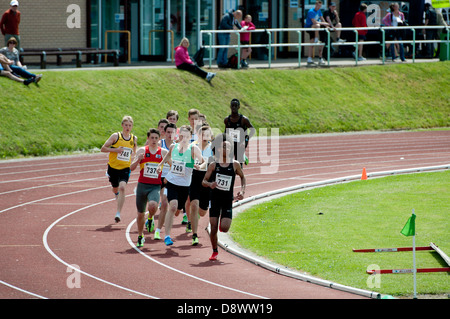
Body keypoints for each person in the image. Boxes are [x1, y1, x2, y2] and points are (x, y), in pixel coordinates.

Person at [157, 125, 204, 246]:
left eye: (187, 136)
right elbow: (167, 156)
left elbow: (203, 162)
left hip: (184, 186)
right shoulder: (174, 146)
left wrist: (199, 166)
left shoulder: (193, 149)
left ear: (190, 137)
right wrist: (160, 165)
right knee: (172, 207)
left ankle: (179, 212)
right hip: (172, 182)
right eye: (182, 135)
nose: (184, 138)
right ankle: (167, 236)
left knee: (177, 211)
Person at [202, 133, 246, 261]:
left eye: (228, 147)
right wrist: (210, 184)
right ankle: (215, 251)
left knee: (225, 228)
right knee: (213, 226)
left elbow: (243, 177)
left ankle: (223, 223)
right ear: (219, 149)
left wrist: (242, 191)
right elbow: (203, 181)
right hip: (214, 199)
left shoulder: (235, 164)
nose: (226, 149)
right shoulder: (213, 165)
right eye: (223, 147)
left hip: (227, 200)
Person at [130, 128, 168, 248]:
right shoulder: (142, 151)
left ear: (159, 139)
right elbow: (131, 168)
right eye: (152, 138)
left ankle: (150, 218)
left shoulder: (163, 153)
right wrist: (138, 160)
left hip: (155, 186)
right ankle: (140, 236)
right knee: (140, 214)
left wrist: (168, 177)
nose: (154, 140)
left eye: (156, 138)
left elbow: (172, 166)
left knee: (153, 206)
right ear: (148, 138)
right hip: (142, 186)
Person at [101, 116, 137, 223]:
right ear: (122, 125)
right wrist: (116, 150)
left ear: (132, 127)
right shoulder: (116, 136)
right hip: (113, 167)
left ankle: (118, 213)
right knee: (115, 188)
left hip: (125, 168)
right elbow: (103, 148)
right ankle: (115, 194)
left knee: (122, 188)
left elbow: (134, 151)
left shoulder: (133, 138)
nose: (127, 127)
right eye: (126, 125)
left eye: (130, 125)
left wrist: (133, 158)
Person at [189, 124, 214, 246]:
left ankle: (195, 217)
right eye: (202, 135)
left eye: (207, 135)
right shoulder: (192, 147)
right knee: (194, 205)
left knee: (203, 212)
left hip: (206, 179)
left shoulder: (213, 149)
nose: (205, 137)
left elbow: (211, 164)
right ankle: (194, 235)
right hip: (194, 178)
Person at [153, 122, 177, 240]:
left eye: (172, 132)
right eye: (168, 132)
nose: (170, 135)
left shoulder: (177, 146)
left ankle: (158, 230)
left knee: (164, 203)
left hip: (171, 178)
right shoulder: (159, 144)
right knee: (155, 202)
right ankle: (150, 219)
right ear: (164, 132)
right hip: (158, 176)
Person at [224, 98, 255, 166]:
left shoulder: (244, 119)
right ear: (230, 107)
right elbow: (225, 132)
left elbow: (252, 130)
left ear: (239, 107)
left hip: (240, 144)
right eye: (232, 106)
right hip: (231, 143)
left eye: (236, 106)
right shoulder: (227, 120)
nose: (234, 107)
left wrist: (246, 140)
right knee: (229, 163)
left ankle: (242, 157)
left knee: (238, 163)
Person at [305, 1, 329, 66]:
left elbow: (322, 18)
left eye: (320, 6)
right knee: (318, 25)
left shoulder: (319, 11)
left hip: (315, 28)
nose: (319, 7)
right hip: (310, 27)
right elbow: (314, 22)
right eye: (318, 6)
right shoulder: (311, 11)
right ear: (315, 5)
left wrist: (326, 25)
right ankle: (316, 38)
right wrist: (323, 23)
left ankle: (309, 58)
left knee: (311, 44)